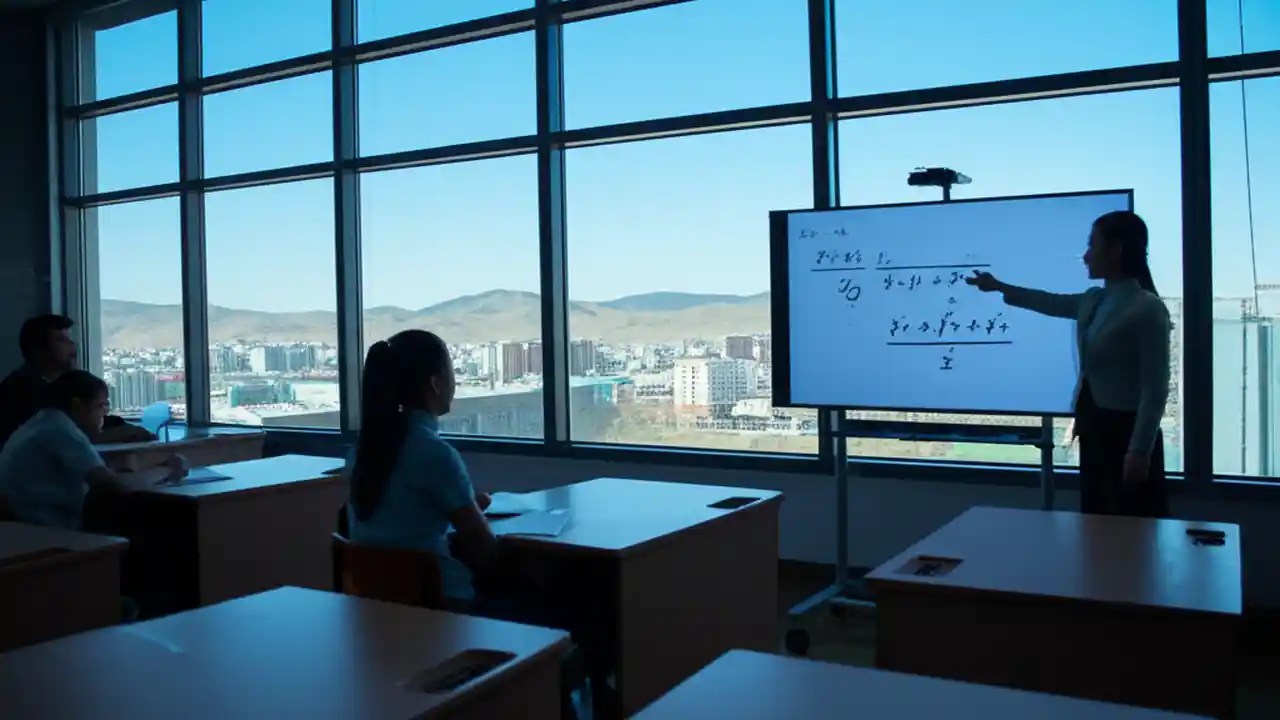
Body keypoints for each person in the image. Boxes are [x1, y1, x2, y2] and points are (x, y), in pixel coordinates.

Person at [347, 330, 613, 718]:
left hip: (384, 614)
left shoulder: (362, 452)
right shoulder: (434, 454)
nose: (455, 382)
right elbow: (486, 555)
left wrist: (463, 507)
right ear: (435, 383)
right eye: (452, 372)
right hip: (448, 612)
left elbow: (403, 515)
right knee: (583, 603)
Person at [966, 210, 1171, 517]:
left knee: (1131, 528)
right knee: (1097, 520)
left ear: (1115, 250)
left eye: (1093, 245)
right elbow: (1049, 301)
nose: (1086, 256)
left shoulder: (1147, 308)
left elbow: (1155, 389)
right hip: (1093, 425)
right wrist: (1000, 287)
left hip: (1124, 433)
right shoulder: (1095, 300)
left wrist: (1140, 450)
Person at [0, 370, 187, 530]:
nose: (104, 414)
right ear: (77, 406)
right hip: (43, 531)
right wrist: (169, 469)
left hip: (23, 526)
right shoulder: (60, 429)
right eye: (100, 406)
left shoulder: (43, 423)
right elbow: (116, 489)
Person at [0, 314, 154, 448]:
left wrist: (124, 429)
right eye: (61, 340)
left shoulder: (62, 385)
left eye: (69, 339)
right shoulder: (19, 392)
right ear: (37, 350)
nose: (72, 346)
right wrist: (114, 435)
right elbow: (50, 440)